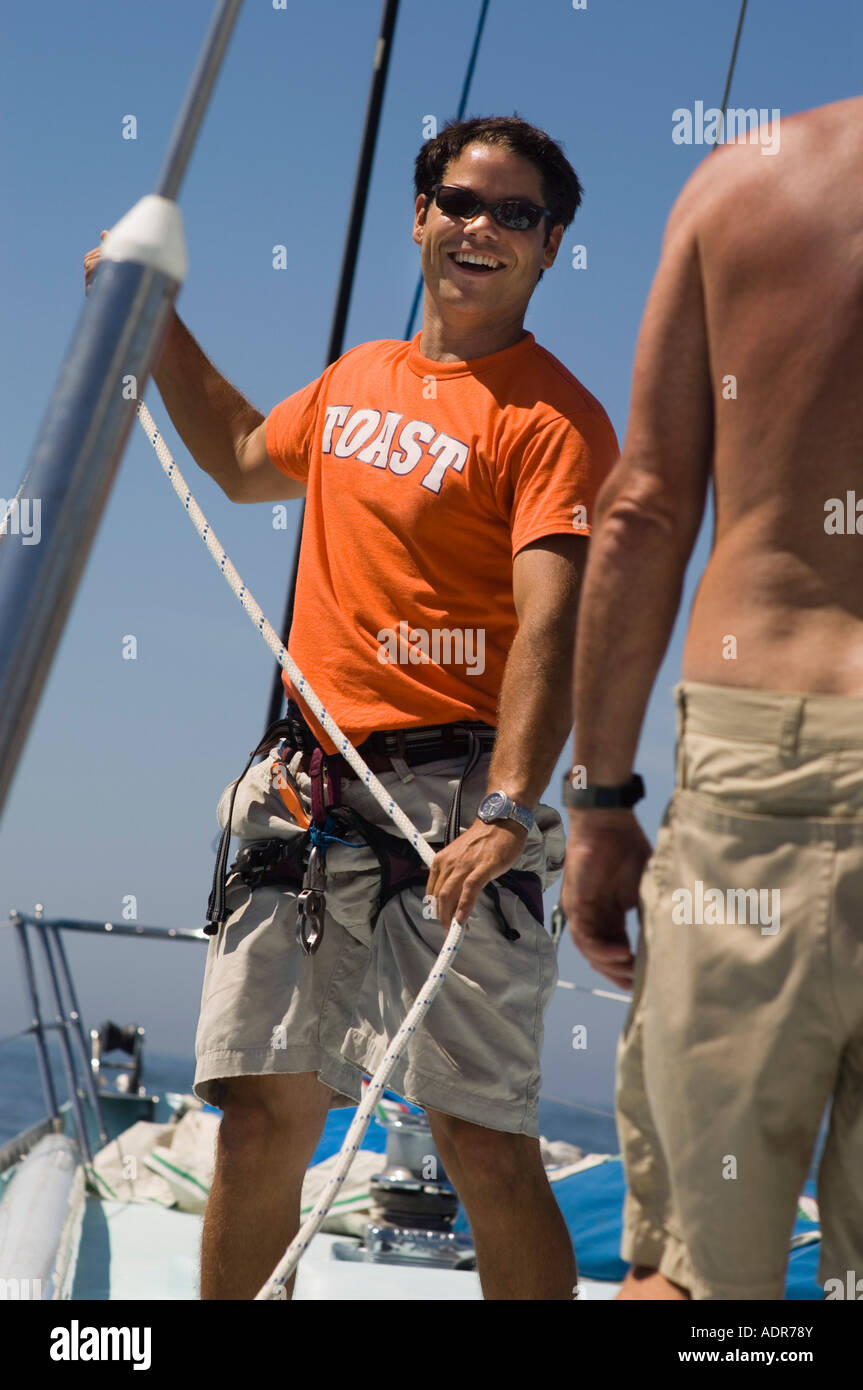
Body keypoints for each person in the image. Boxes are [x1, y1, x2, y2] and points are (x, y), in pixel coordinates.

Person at [84, 114, 619, 1300]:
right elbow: (232, 456)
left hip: (459, 802)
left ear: (550, 246)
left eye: (515, 214)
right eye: (461, 202)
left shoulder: (553, 422)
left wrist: (508, 804)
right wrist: (149, 318)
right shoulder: (353, 382)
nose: (482, 228)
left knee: (480, 1138)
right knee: (262, 1120)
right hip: (304, 788)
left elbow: (555, 621)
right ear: (420, 216)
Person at [561, 95, 863, 1302]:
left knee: (691, 1278)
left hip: (761, 767)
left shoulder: (747, 180)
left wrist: (598, 803)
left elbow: (640, 512)